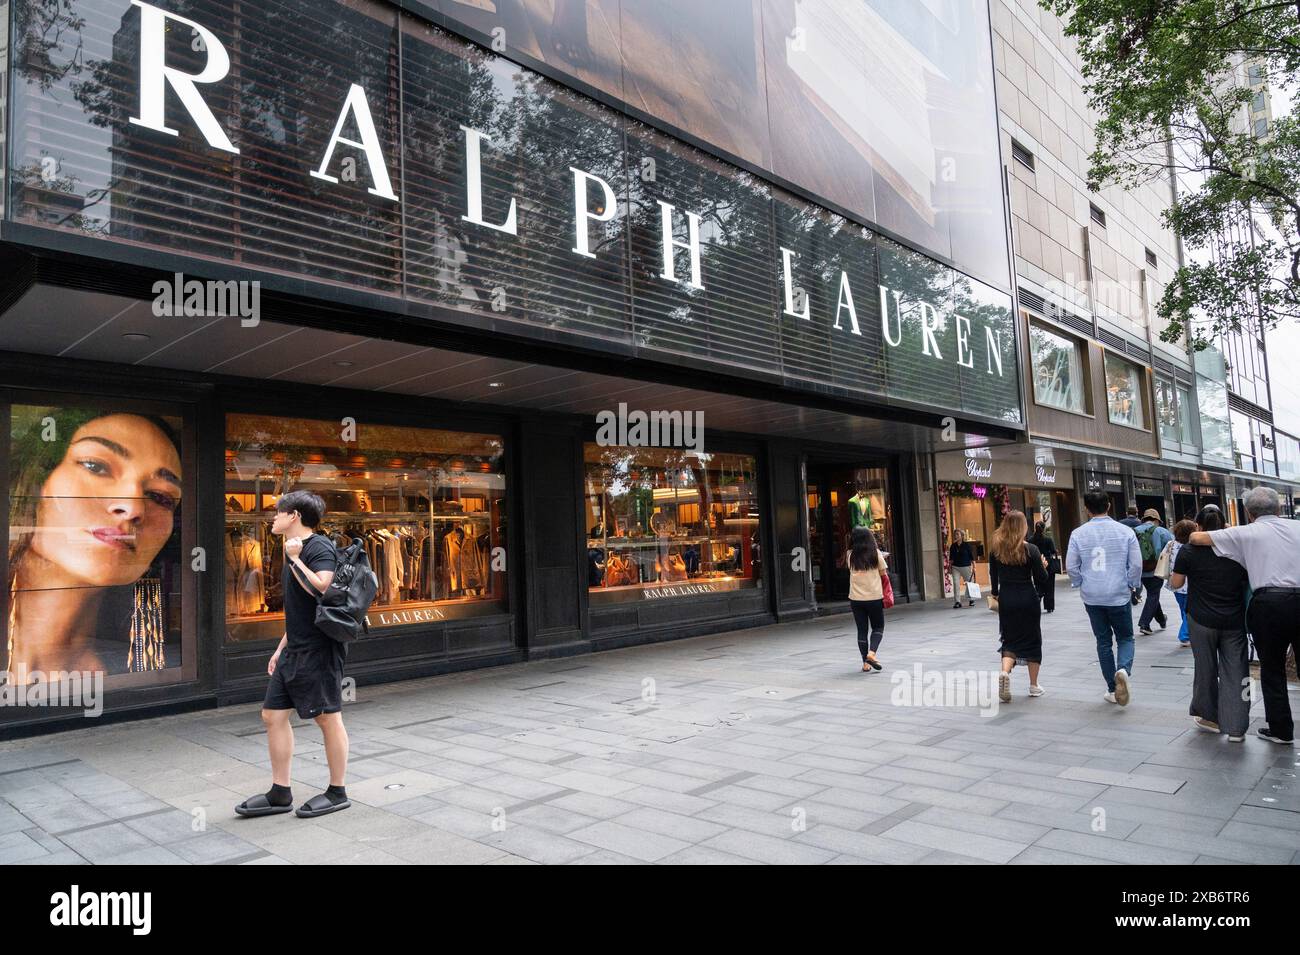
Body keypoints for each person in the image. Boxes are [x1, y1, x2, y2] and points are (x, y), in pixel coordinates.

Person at [5, 409, 182, 682]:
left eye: (160, 497)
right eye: (95, 467)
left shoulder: (143, 668)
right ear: (38, 482)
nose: (133, 507)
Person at [237, 491, 352, 818]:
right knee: (272, 715)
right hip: (295, 649)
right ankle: (280, 792)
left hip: (319, 651)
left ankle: (337, 790)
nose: (274, 518)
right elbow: (302, 610)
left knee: (327, 718)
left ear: (295, 516)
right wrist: (280, 649)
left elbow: (322, 587)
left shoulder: (318, 548)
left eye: (279, 512)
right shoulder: (294, 549)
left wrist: (297, 559)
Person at [1189, 487, 1300, 745]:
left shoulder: (1244, 532)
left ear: (1249, 513)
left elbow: (1197, 538)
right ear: (1279, 509)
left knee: (1272, 668)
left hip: (1269, 604)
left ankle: (1281, 730)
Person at [1172, 506, 1249, 741]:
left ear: (1199, 526)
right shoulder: (1238, 550)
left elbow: (1176, 583)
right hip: (1234, 619)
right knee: (1238, 671)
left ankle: (1209, 717)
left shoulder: (1188, 551)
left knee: (1205, 669)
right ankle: (1237, 727)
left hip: (1201, 619)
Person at [1067, 491, 1143, 706]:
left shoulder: (1078, 534)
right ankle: (1123, 669)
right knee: (1125, 637)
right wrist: (1132, 584)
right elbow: (1136, 564)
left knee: (1103, 641)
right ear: (1108, 506)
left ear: (1087, 508)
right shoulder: (1125, 531)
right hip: (1118, 593)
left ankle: (1111, 687)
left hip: (1092, 595)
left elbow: (1071, 566)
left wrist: (1079, 582)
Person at [990, 510, 1050, 702]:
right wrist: (1044, 565)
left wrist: (996, 595)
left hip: (1007, 598)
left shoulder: (996, 550)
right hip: (1027, 598)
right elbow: (1042, 578)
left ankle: (1005, 673)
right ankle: (1033, 685)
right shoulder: (1031, 549)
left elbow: (993, 577)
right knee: (1033, 639)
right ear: (1023, 527)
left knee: (1009, 639)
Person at [847, 527, 888, 672]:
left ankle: (865, 663)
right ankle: (871, 654)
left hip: (856, 599)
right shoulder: (875, 554)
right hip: (874, 597)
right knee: (878, 627)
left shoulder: (850, 555)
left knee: (861, 630)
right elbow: (883, 574)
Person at [1134, 508, 1173, 635]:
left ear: (1144, 519)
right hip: (1156, 569)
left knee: (1153, 594)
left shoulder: (1134, 532)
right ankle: (1144, 623)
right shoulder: (1161, 531)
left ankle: (1162, 619)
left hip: (1140, 570)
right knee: (1153, 595)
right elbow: (1171, 547)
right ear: (1156, 520)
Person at [1168, 520, 1195, 647]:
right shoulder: (1191, 546)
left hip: (1175, 583)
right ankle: (1184, 635)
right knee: (1188, 611)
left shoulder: (1171, 544)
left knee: (1183, 610)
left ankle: (1188, 632)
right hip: (1188, 584)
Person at [1027, 520, 1058, 613]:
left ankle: (1037, 601)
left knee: (1038, 585)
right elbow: (1053, 551)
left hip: (1036, 565)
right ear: (1044, 528)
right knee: (1050, 586)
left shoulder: (1031, 540)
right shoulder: (1048, 539)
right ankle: (1049, 606)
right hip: (1048, 564)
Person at [1119, 504, 1142, 604]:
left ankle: (1128, 591)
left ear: (1127, 513)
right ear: (1137, 513)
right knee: (1137, 571)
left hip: (1123, 551)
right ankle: (1137, 594)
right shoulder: (1141, 523)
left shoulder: (1120, 523)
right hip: (1138, 551)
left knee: (1124, 571)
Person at [949, 529, 975, 609]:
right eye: (955, 534)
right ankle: (957, 602)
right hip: (955, 567)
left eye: (957, 534)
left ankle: (971, 599)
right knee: (956, 583)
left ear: (962, 536)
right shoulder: (953, 546)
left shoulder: (967, 545)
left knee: (969, 583)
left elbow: (971, 557)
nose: (956, 536)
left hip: (966, 566)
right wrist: (950, 567)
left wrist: (974, 567)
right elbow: (951, 559)